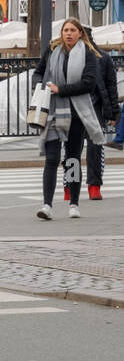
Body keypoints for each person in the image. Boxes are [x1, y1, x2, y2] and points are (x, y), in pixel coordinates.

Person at [33, 17, 112, 219]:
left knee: (73, 159)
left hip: (76, 112)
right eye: (65, 30)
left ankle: (74, 203)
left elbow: (88, 83)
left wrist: (61, 89)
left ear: (80, 34)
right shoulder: (52, 51)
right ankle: (47, 205)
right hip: (53, 111)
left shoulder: (88, 54)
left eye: (72, 30)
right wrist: (41, 86)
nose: (68, 34)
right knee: (51, 159)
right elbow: (38, 73)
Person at [84, 24, 117, 199]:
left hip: (95, 106)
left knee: (95, 146)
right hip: (72, 104)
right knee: (68, 147)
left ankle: (94, 185)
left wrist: (112, 112)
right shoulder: (64, 56)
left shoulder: (103, 58)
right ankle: (69, 185)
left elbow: (111, 86)